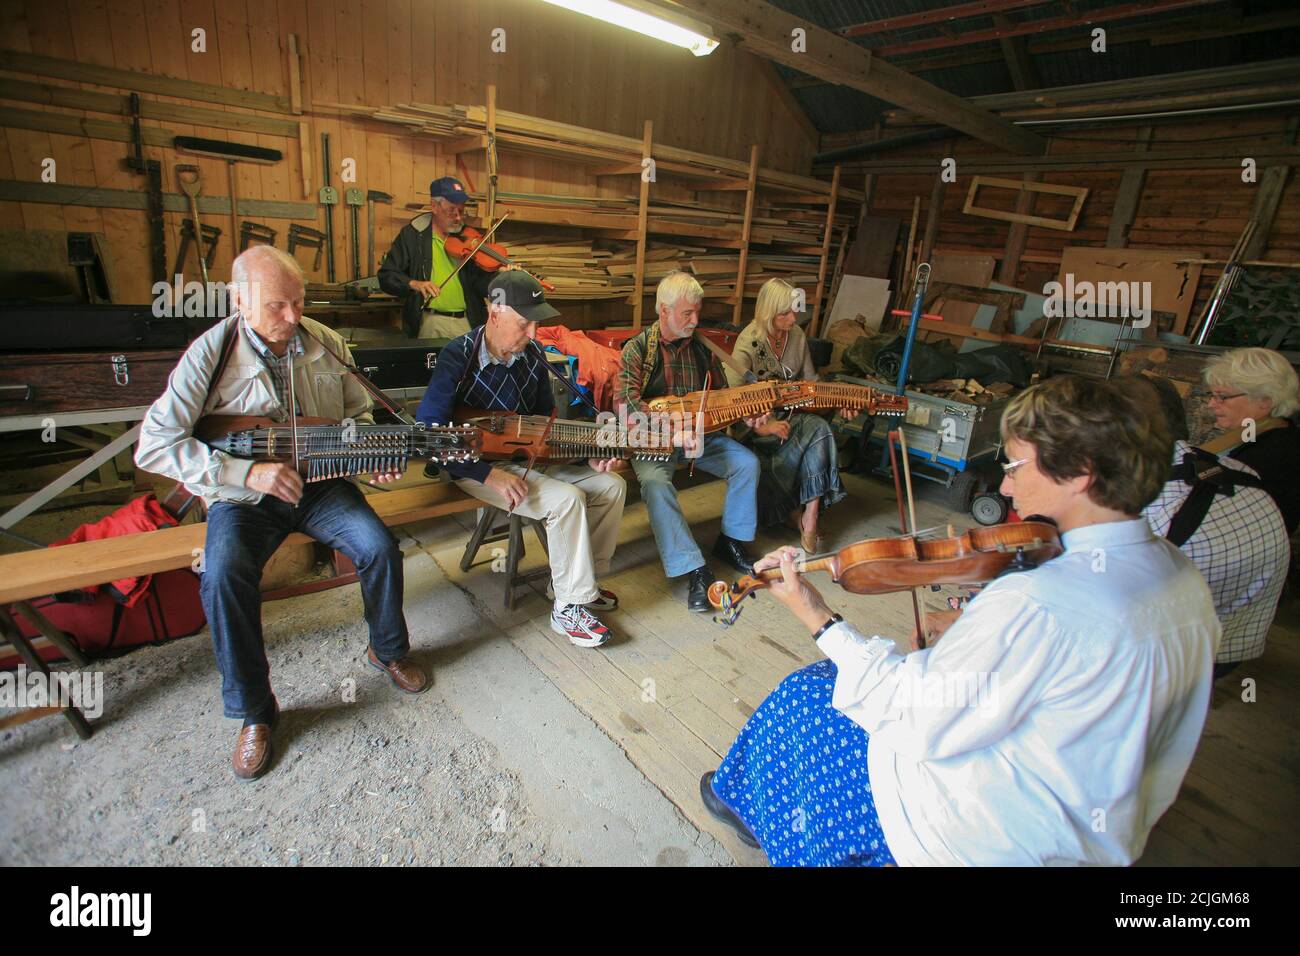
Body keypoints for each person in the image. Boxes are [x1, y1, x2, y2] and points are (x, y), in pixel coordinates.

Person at [700, 375, 1220, 866]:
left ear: (1081, 471)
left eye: (1015, 467)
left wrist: (816, 615)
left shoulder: (1039, 601)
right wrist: (974, 632)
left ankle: (755, 807)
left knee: (808, 699)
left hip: (988, 835)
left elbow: (913, 716)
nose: (1007, 488)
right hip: (1101, 825)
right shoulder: (1180, 575)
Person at [135, 246, 426, 781]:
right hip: (243, 499)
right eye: (277, 306)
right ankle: (254, 712)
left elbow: (356, 418)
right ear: (239, 300)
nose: (293, 318)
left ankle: (388, 651)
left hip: (318, 487)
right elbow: (154, 445)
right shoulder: (210, 353)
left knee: (379, 547)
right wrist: (247, 474)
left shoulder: (324, 341)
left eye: (299, 302)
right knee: (223, 576)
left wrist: (373, 461)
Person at [415, 271, 626, 648]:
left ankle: (574, 586)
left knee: (611, 485)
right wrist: (487, 475)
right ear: (495, 312)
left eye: (535, 323)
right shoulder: (458, 355)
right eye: (524, 323)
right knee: (567, 501)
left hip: (527, 458)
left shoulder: (532, 356)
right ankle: (567, 609)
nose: (532, 333)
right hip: (473, 465)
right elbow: (428, 433)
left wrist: (589, 458)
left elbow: (547, 426)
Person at [616, 271, 763, 612]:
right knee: (655, 484)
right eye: (687, 313)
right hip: (655, 442)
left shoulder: (703, 348)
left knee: (746, 463)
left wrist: (746, 413)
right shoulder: (638, 349)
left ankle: (731, 541)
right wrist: (669, 431)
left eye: (697, 312)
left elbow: (724, 398)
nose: (695, 320)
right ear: (664, 311)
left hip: (700, 439)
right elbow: (625, 407)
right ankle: (694, 568)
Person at [1136, 374, 1289, 681]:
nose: (1211, 404)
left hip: (1176, 658)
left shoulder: (1156, 502)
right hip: (1238, 637)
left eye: (1223, 396)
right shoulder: (1237, 466)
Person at [727, 278, 849, 553]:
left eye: (795, 311)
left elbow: (811, 384)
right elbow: (730, 398)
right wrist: (763, 426)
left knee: (819, 428)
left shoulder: (797, 336)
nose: (794, 318)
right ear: (768, 313)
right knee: (811, 433)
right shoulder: (749, 341)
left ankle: (811, 516)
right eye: (785, 313)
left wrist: (839, 402)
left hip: (791, 415)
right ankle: (795, 515)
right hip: (753, 425)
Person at [1200, 346, 1300, 534]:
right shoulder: (1271, 430)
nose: (1211, 404)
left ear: (1264, 401)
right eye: (1212, 395)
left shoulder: (1267, 456)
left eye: (1223, 397)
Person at [378, 176, 493, 340]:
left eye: (461, 211)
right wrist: (414, 284)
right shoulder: (412, 235)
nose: (458, 217)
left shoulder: (469, 237)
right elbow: (387, 276)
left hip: (468, 321)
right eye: (451, 211)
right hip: (430, 322)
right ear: (434, 206)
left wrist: (501, 274)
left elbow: (481, 281)